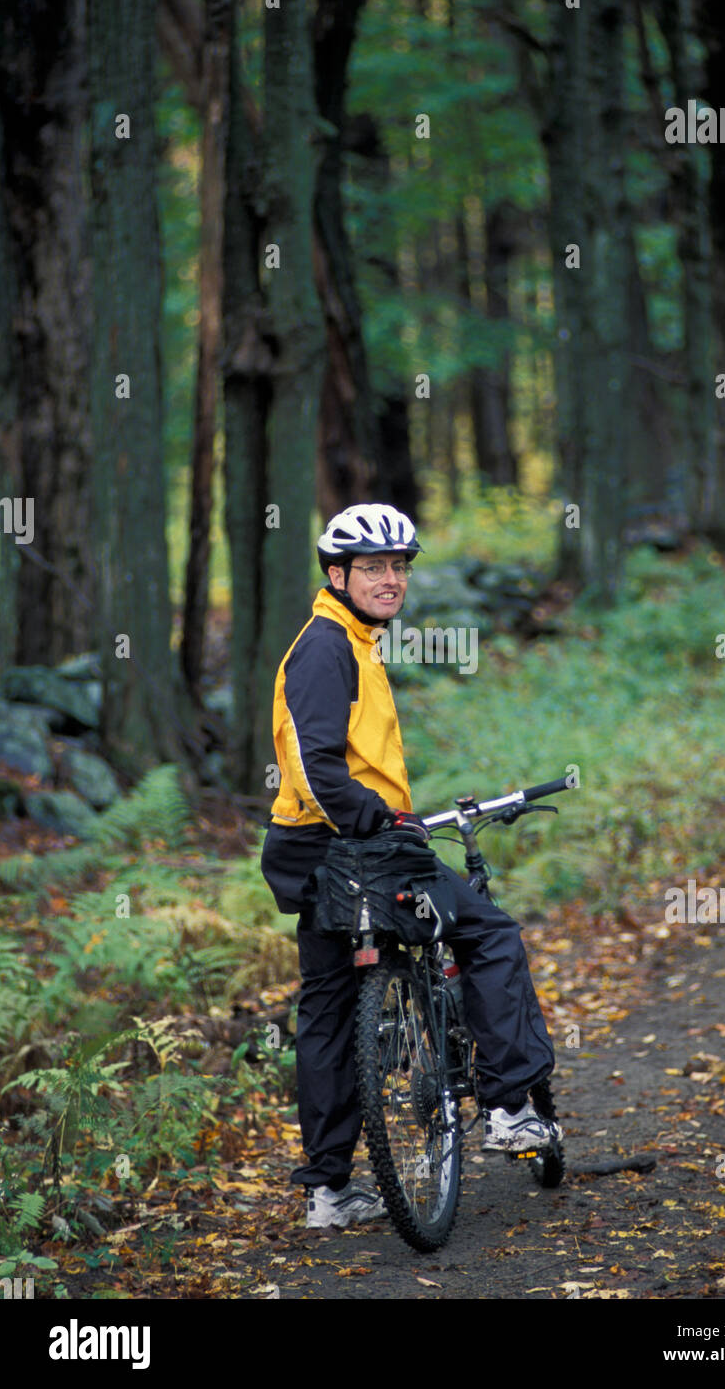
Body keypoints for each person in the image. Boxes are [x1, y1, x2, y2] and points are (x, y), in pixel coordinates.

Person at [261, 503, 558, 1229]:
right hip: (352, 847)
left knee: (328, 1012)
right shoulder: (326, 646)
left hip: (313, 851)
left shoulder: (354, 640)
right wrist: (380, 819)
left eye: (398, 566)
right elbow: (315, 761)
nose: (390, 579)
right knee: (488, 934)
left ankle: (329, 1193)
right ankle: (509, 1108)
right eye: (372, 568)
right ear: (337, 575)